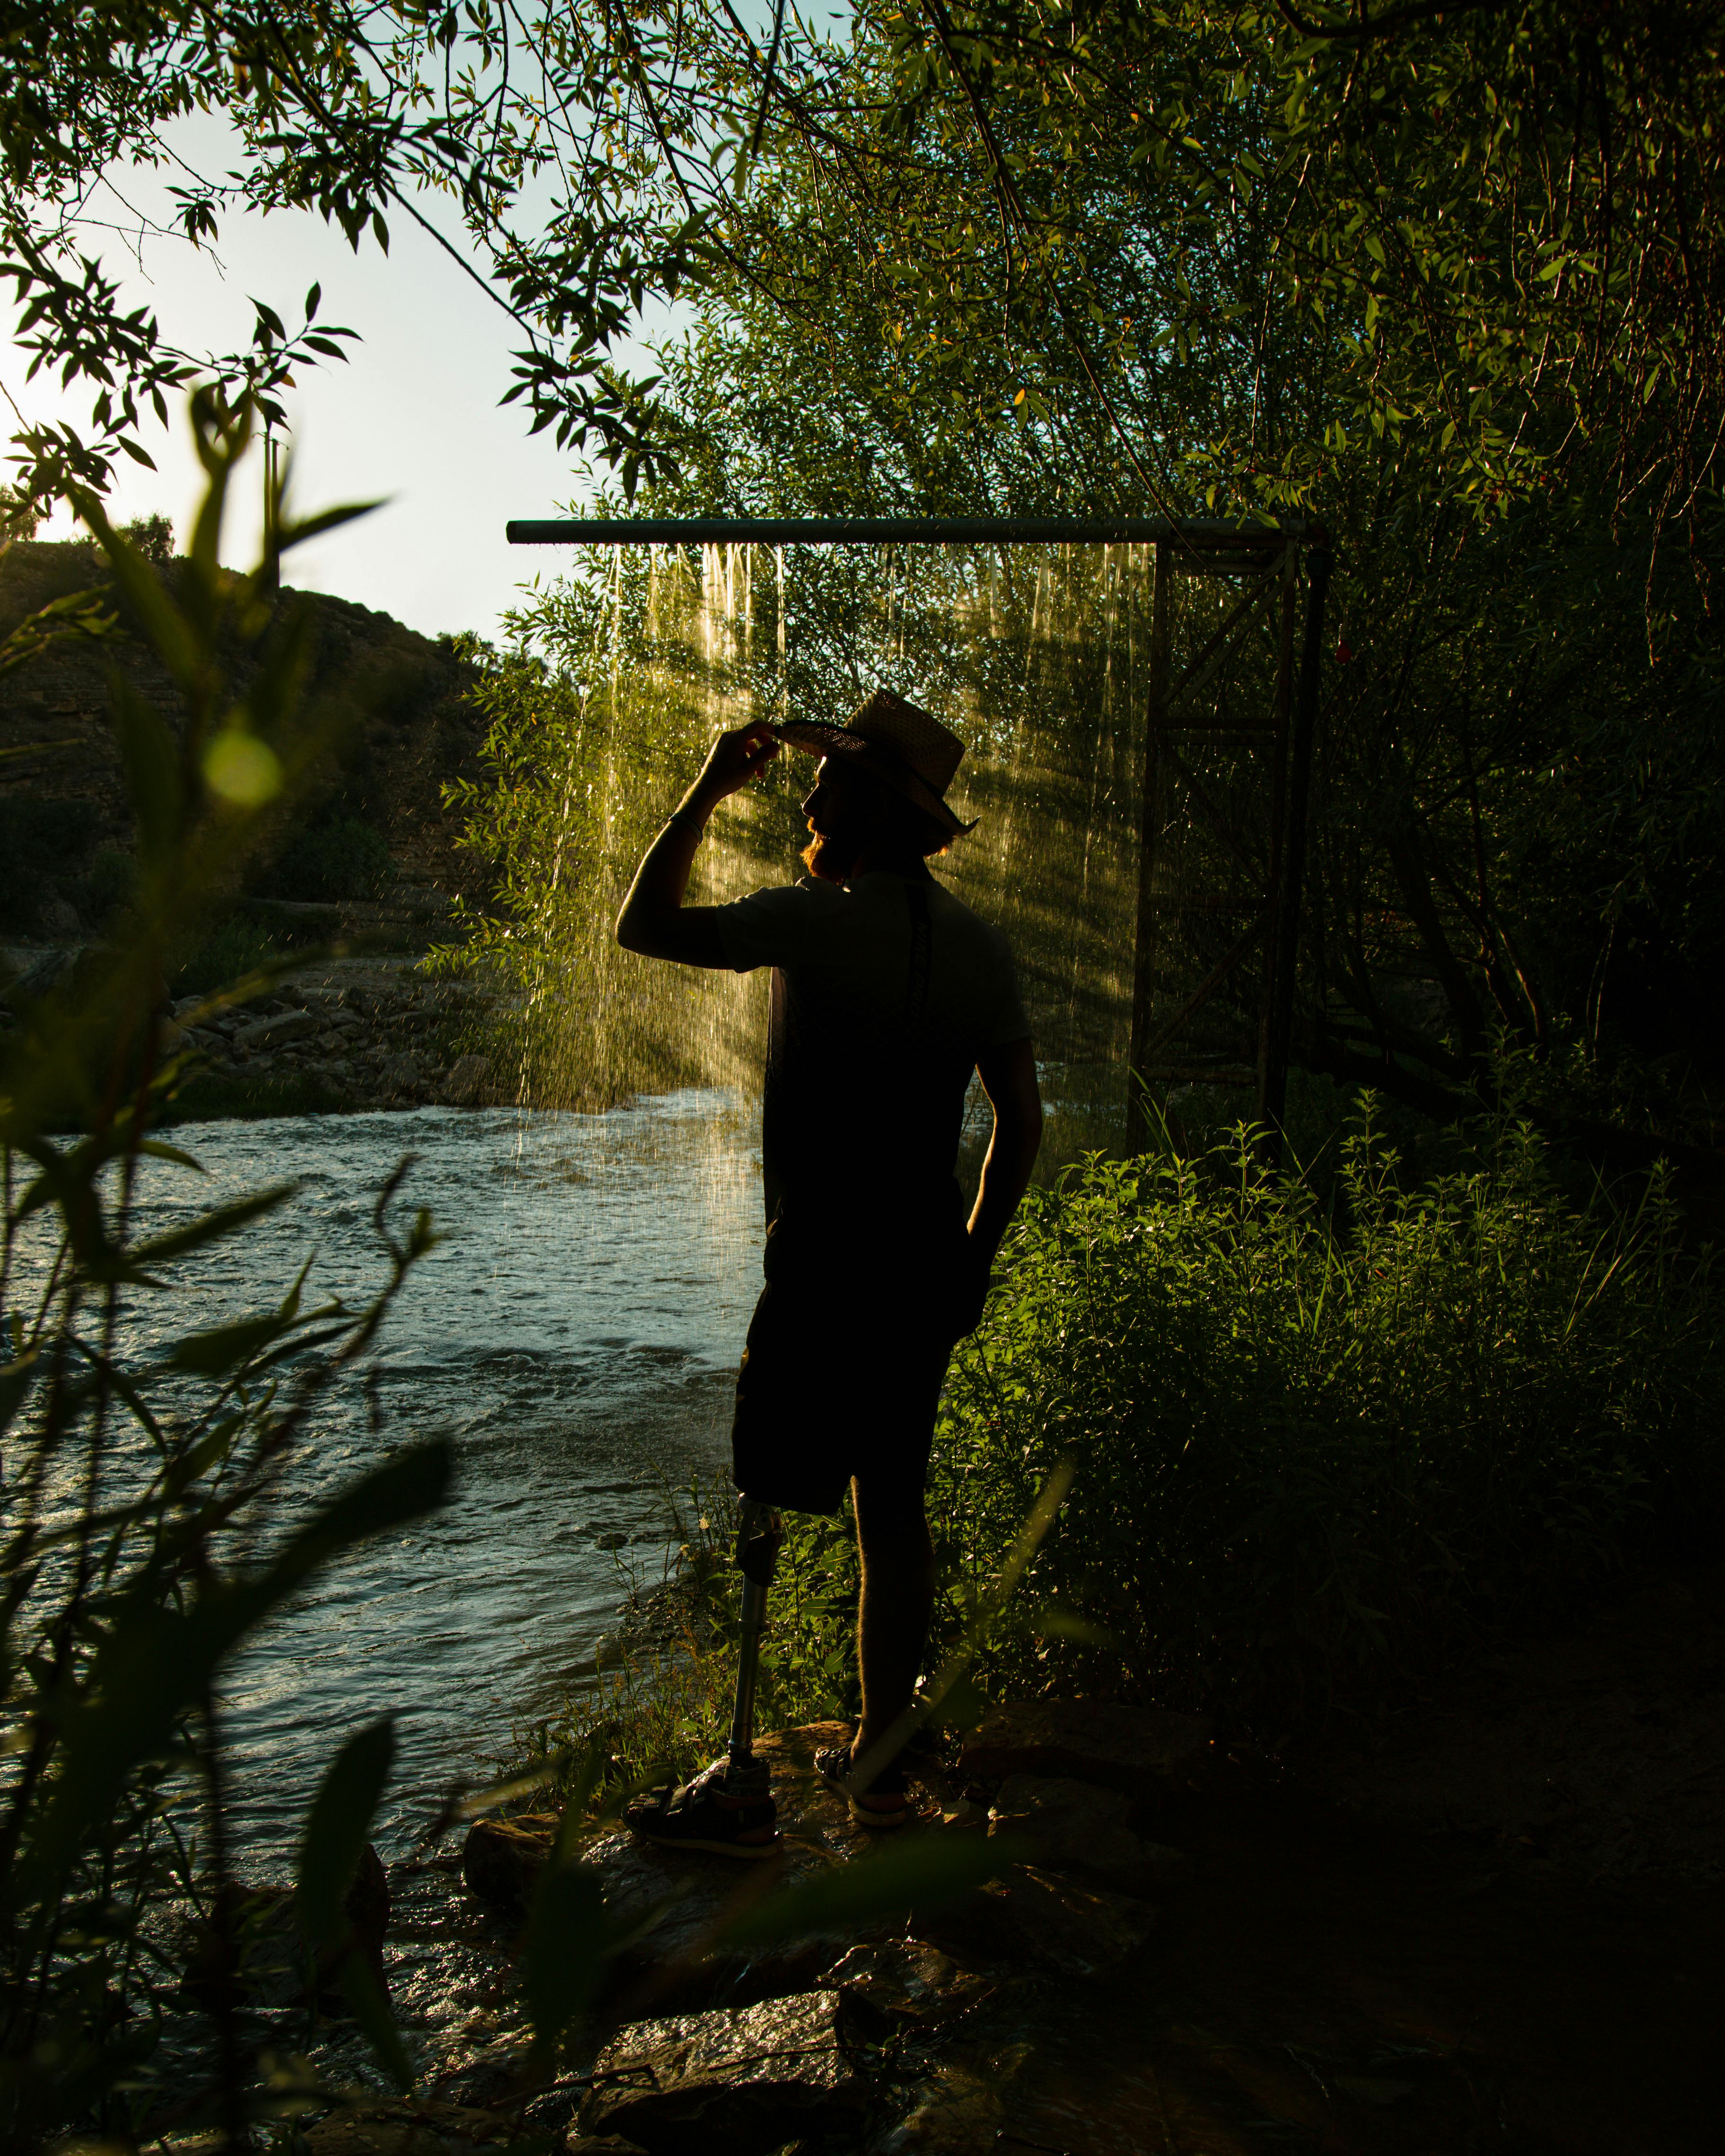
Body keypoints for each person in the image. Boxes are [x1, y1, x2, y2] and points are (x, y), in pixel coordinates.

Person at [613, 688, 1041, 1852]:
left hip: (820, 1262)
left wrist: (707, 791)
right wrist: (972, 1262)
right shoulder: (981, 949)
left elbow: (644, 927)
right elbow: (1020, 1123)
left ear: (874, 809)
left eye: (826, 781)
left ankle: (739, 1789)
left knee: (766, 1484)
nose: (807, 799)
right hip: (922, 1263)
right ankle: (881, 1767)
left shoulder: (813, 921)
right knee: (892, 1509)